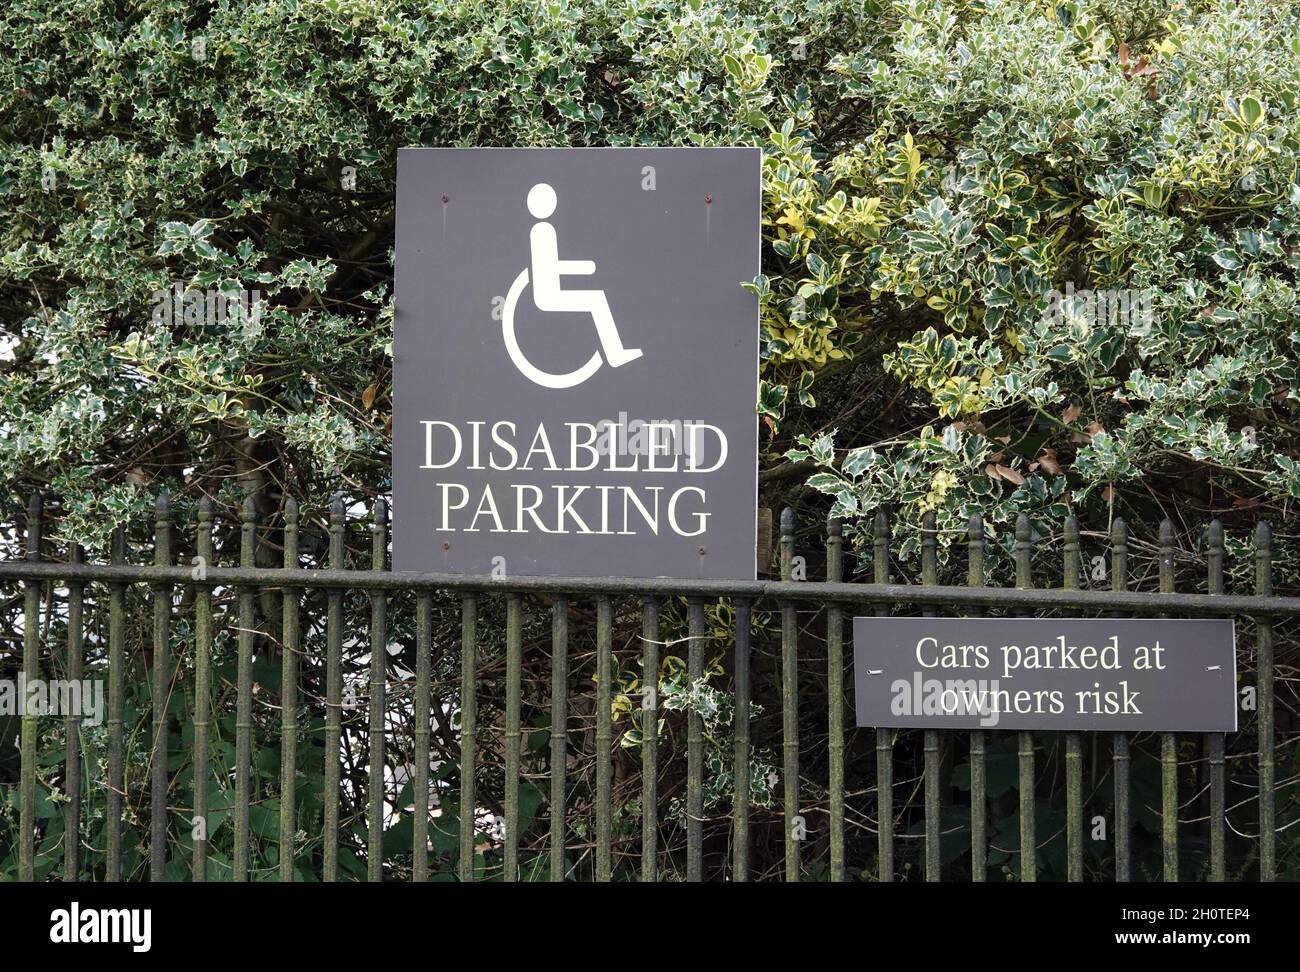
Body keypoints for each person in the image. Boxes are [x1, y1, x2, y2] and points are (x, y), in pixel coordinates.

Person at [526, 182, 642, 368]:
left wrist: (584, 268)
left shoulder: (543, 229)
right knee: (596, 300)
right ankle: (614, 353)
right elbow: (550, 267)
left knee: (595, 299)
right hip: (548, 295)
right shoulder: (543, 231)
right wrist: (585, 267)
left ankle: (615, 352)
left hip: (552, 290)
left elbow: (552, 267)